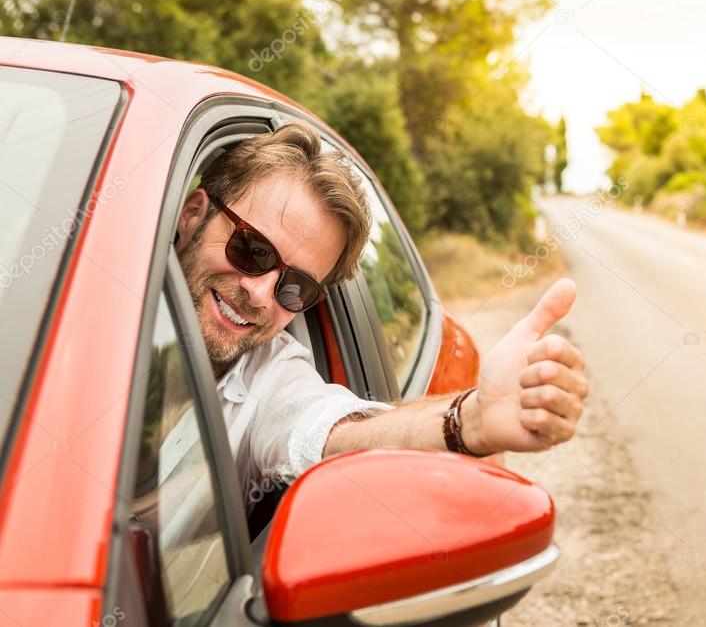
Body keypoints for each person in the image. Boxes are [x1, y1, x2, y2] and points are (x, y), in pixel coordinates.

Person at [173, 122, 589, 500]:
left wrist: (472, 420)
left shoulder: (272, 379)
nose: (261, 294)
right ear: (193, 215)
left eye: (295, 288)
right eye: (251, 249)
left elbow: (331, 431)